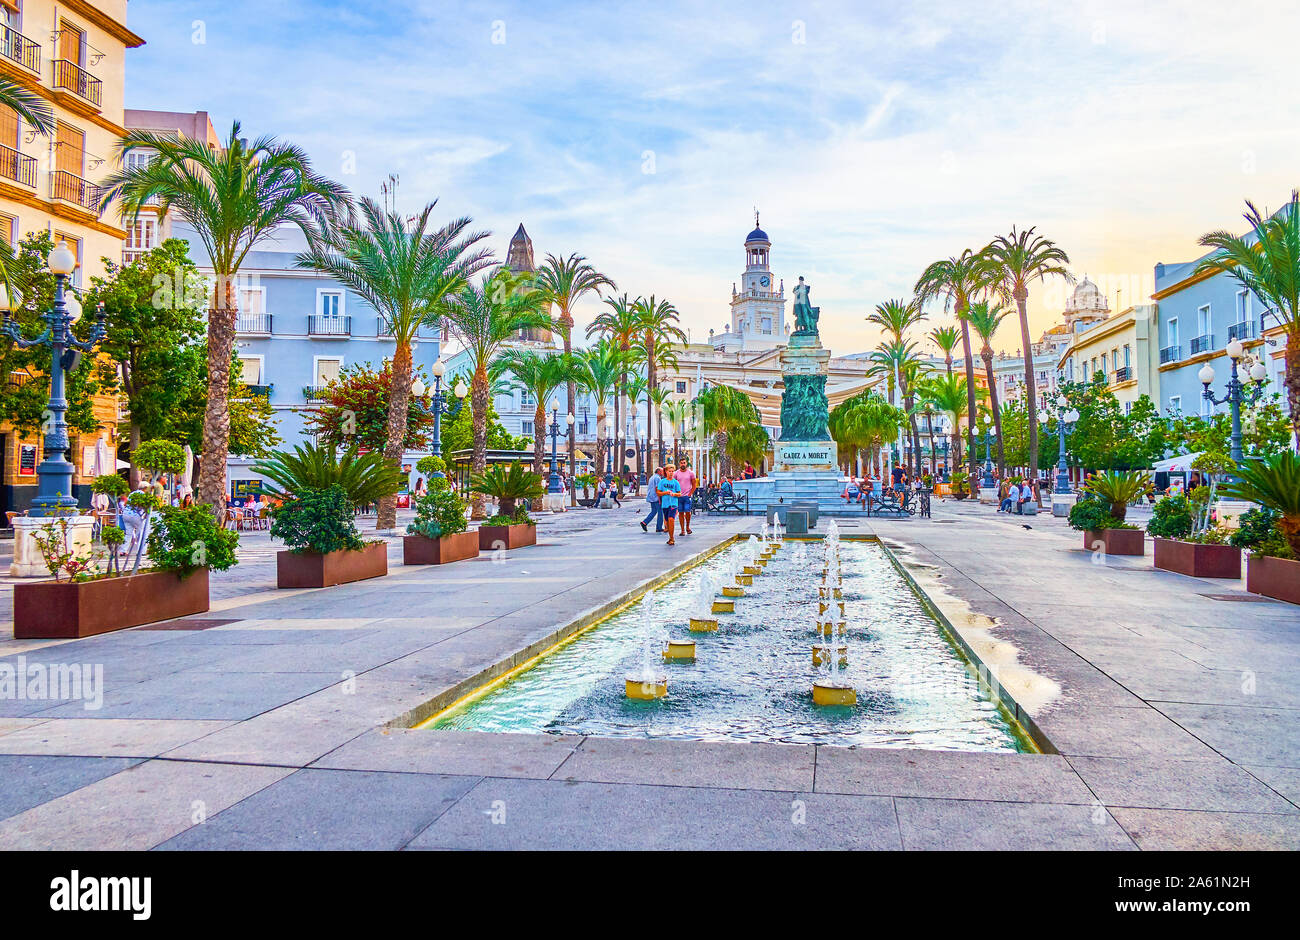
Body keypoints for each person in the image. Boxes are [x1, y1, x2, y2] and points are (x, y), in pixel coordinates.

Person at [673, 458, 697, 536]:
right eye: (681, 463)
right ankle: (682, 530)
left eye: (684, 463)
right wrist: (675, 493)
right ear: (679, 464)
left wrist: (690, 494)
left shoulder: (691, 473)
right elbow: (674, 484)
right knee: (680, 513)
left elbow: (694, 485)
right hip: (679, 496)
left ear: (686, 463)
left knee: (687, 512)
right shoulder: (676, 473)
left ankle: (687, 527)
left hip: (687, 496)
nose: (683, 464)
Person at [657, 469, 681, 545]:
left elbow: (679, 493)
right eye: (669, 471)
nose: (671, 473)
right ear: (666, 472)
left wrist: (674, 494)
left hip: (673, 504)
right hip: (665, 504)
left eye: (672, 471)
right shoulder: (662, 482)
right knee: (667, 522)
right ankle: (670, 537)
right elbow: (658, 492)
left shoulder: (676, 482)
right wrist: (665, 492)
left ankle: (672, 538)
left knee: (671, 519)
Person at [641, 466, 663, 533]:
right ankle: (659, 528)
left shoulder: (652, 477)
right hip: (656, 497)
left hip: (651, 497)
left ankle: (644, 522)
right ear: (659, 471)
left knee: (653, 511)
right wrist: (659, 498)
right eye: (662, 471)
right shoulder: (658, 478)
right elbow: (657, 488)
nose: (663, 472)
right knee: (660, 512)